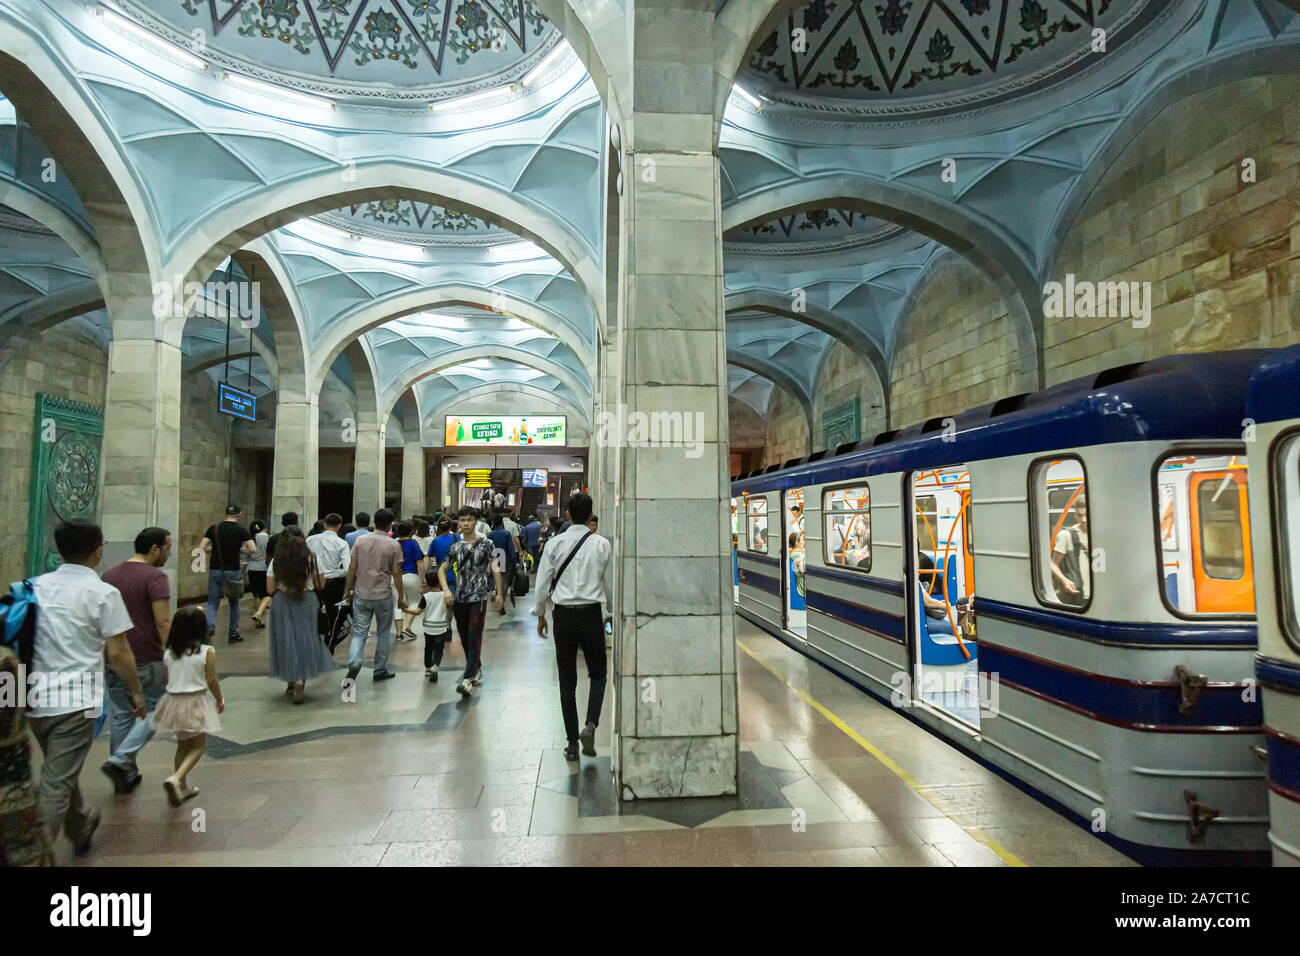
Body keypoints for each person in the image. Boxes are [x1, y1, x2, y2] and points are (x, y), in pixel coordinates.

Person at [27, 520, 146, 855]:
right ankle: (35, 856)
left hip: (33, 697)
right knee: (56, 781)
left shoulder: (32, 586)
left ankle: (80, 826)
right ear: (98, 551)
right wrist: (136, 692)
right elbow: (119, 652)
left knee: (59, 767)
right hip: (79, 701)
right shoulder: (103, 593)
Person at [533, 494, 611, 762]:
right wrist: (609, 613)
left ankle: (571, 744)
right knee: (599, 673)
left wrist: (541, 613)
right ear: (591, 515)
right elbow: (608, 583)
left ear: (567, 514)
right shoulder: (601, 544)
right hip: (591, 614)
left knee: (567, 678)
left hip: (563, 616)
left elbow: (542, 582)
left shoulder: (555, 543)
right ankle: (590, 725)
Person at [99, 527, 173, 794]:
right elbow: (163, 621)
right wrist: (176, 654)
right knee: (159, 707)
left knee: (121, 714)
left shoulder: (110, 575)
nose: (169, 552)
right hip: (146, 656)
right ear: (154, 549)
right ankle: (121, 759)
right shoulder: (156, 578)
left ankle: (125, 773)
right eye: (167, 547)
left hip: (113, 656)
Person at [150, 606, 223, 807]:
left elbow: (166, 678)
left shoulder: (169, 653)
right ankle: (176, 777)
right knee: (199, 745)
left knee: (183, 745)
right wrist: (219, 698)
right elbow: (211, 680)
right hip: (195, 701)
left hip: (173, 701)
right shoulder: (207, 652)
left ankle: (181, 787)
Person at [437, 506, 505, 698]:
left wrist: (499, 594)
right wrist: (446, 590)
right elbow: (442, 569)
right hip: (460, 597)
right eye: (463, 520)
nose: (466, 523)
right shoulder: (455, 546)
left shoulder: (487, 543)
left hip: (479, 597)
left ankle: (467, 679)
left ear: (476, 521)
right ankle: (477, 668)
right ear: (459, 522)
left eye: (469, 520)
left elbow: (496, 568)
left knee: (474, 636)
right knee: (465, 636)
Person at [268, 530, 335, 704]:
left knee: (285, 639)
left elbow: (269, 589)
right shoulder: (312, 558)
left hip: (282, 601)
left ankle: (290, 681)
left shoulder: (277, 561)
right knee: (306, 638)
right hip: (307, 600)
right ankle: (300, 680)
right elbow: (320, 584)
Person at [343, 508, 406, 685]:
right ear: (390, 525)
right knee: (384, 633)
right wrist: (401, 596)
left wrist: (347, 591)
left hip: (361, 593)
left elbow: (352, 568)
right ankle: (380, 669)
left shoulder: (360, 541)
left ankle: (354, 661)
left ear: (373, 522)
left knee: (360, 633)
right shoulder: (393, 544)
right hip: (383, 594)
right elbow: (396, 572)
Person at [200, 505, 256, 643]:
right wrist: (240, 551)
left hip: (215, 570)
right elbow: (253, 549)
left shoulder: (215, 528)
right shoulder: (241, 530)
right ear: (239, 514)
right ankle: (233, 634)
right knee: (234, 602)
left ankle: (210, 626)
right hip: (233, 570)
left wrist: (211, 549)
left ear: (226, 513)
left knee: (213, 602)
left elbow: (202, 546)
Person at [307, 512, 350, 646]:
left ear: (324, 524)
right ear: (339, 526)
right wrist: (336, 572)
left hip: (313, 582)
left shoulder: (310, 540)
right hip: (334, 583)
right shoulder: (342, 543)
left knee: (314, 612)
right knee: (332, 614)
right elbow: (348, 568)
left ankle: (313, 641)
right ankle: (329, 640)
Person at [1051, 496, 1090, 607]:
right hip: (1077, 593)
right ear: (1075, 514)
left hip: (1097, 593)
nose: (1083, 519)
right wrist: (1065, 581)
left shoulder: (1099, 534)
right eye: (1079, 515)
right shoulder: (1066, 535)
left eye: (1086, 515)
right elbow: (1053, 564)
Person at [418, 570, 452, 682]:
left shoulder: (425, 597)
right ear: (440, 582)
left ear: (426, 582)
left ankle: (428, 667)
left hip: (428, 628)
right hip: (441, 628)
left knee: (428, 647)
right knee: (438, 648)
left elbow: (418, 611)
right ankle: (435, 666)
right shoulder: (445, 595)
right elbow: (451, 605)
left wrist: (406, 609)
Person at [395, 521, 426, 641]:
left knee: (397, 603)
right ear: (412, 531)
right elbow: (420, 562)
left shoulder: (394, 544)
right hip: (411, 575)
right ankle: (407, 627)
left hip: (394, 577)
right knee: (415, 602)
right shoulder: (413, 544)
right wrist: (422, 577)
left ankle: (398, 633)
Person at [487, 513, 519, 609]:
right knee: (504, 580)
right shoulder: (506, 533)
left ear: (493, 523)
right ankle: (501, 601)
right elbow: (511, 548)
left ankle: (493, 590)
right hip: (505, 559)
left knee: (493, 576)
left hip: (494, 558)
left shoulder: (490, 535)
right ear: (501, 522)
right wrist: (515, 560)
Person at [247, 520, 270, 628]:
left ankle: (259, 622)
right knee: (267, 594)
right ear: (263, 527)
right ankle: (258, 613)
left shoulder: (250, 536)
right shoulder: (265, 536)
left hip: (251, 568)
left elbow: (243, 550)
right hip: (263, 567)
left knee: (256, 594)